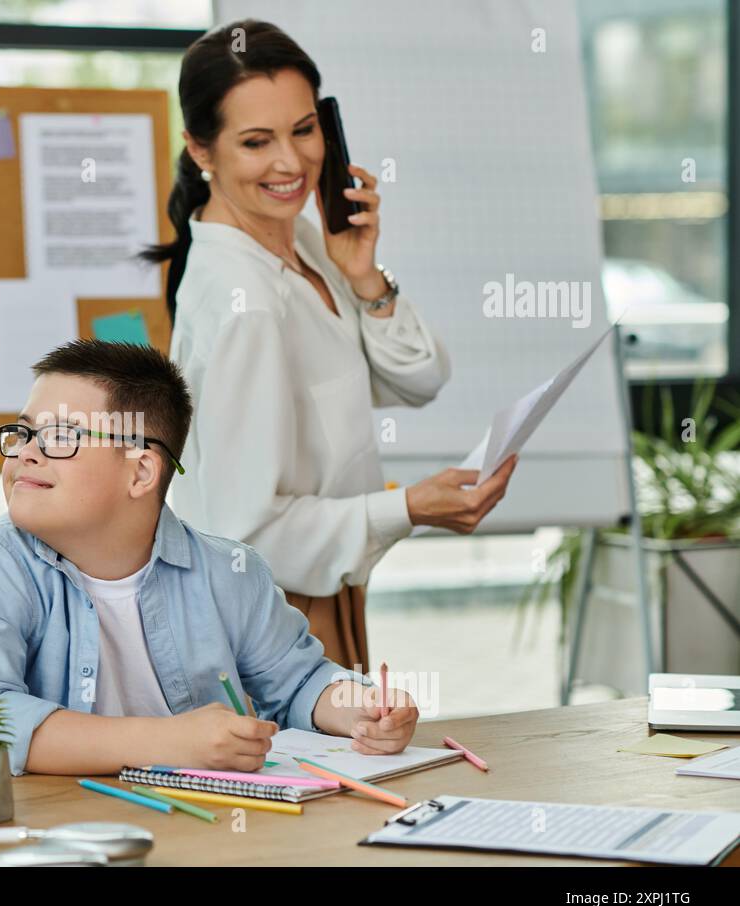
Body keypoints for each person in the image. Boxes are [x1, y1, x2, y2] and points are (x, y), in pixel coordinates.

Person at [140, 19, 517, 674]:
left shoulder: (304, 243)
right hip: (274, 619)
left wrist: (364, 276)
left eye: (305, 129)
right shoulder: (245, 305)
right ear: (201, 151)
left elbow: (419, 380)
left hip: (324, 598)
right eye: (257, 142)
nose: (291, 162)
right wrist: (409, 507)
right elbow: (245, 536)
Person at [0, 340, 417, 776]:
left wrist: (362, 707)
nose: (26, 453)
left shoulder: (232, 573)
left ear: (141, 471)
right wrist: (170, 741)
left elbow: (301, 680)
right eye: (22, 433)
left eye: (61, 436)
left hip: (203, 824)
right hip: (62, 829)